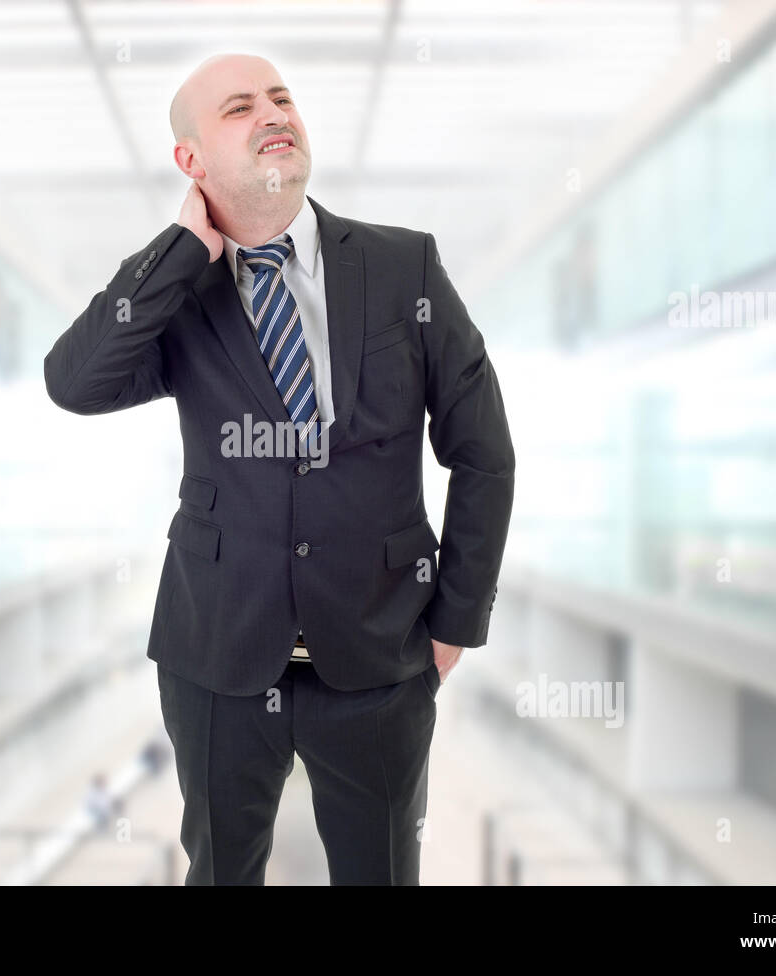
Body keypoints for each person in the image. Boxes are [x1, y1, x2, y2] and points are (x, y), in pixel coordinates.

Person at [44, 53, 514, 885]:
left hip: (379, 656)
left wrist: (455, 619)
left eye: (282, 97)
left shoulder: (405, 267)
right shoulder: (178, 294)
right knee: (221, 871)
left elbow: (483, 452)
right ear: (191, 161)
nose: (273, 112)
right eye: (238, 107)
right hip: (218, 654)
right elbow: (75, 383)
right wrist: (182, 245)